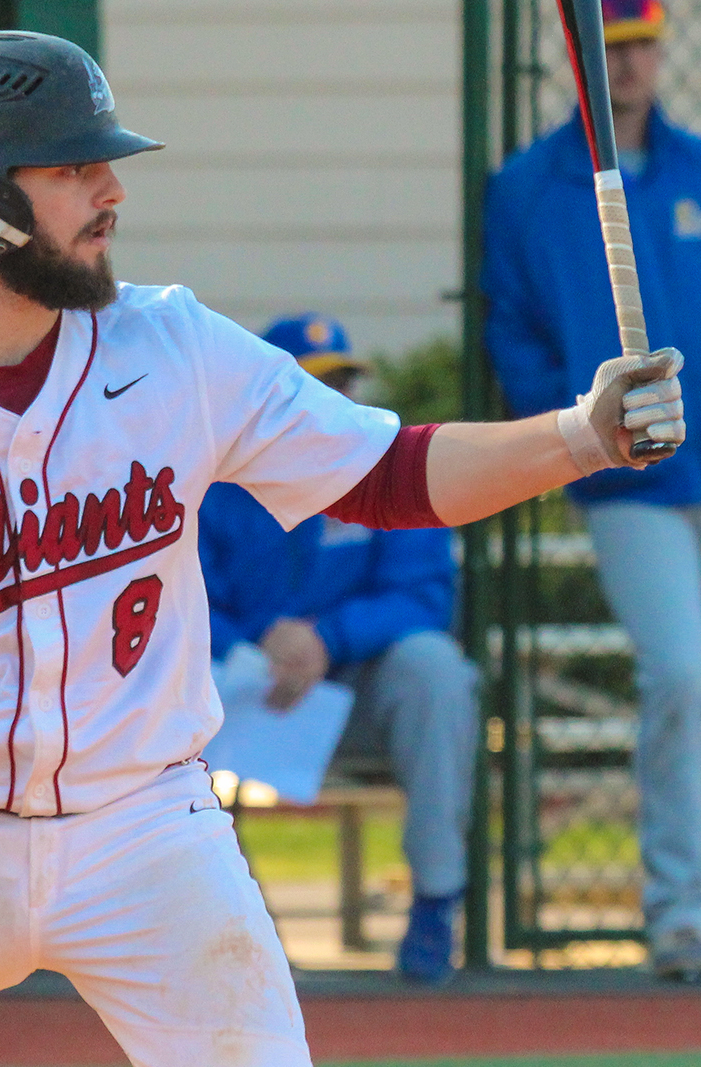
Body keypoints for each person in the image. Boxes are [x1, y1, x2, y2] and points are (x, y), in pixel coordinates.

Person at [0, 31, 684, 1066]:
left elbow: (391, 472)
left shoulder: (174, 349)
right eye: (73, 167)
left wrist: (581, 436)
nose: (111, 190)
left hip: (143, 825)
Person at [482, 0, 701, 981]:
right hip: (630, 483)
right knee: (678, 676)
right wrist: (571, 432)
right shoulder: (525, 187)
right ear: (582, 59)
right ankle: (680, 910)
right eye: (612, 48)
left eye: (640, 47)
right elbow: (513, 324)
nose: (627, 67)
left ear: (659, 52)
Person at [196, 314, 479, 985]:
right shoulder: (211, 474)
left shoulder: (387, 466)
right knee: (167, 692)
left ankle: (438, 900)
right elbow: (174, 599)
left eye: (344, 383)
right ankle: (242, 925)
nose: (335, 400)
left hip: (353, 690)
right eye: (315, 385)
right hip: (244, 690)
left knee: (436, 668)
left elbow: (423, 595)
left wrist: (326, 637)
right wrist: (258, 640)